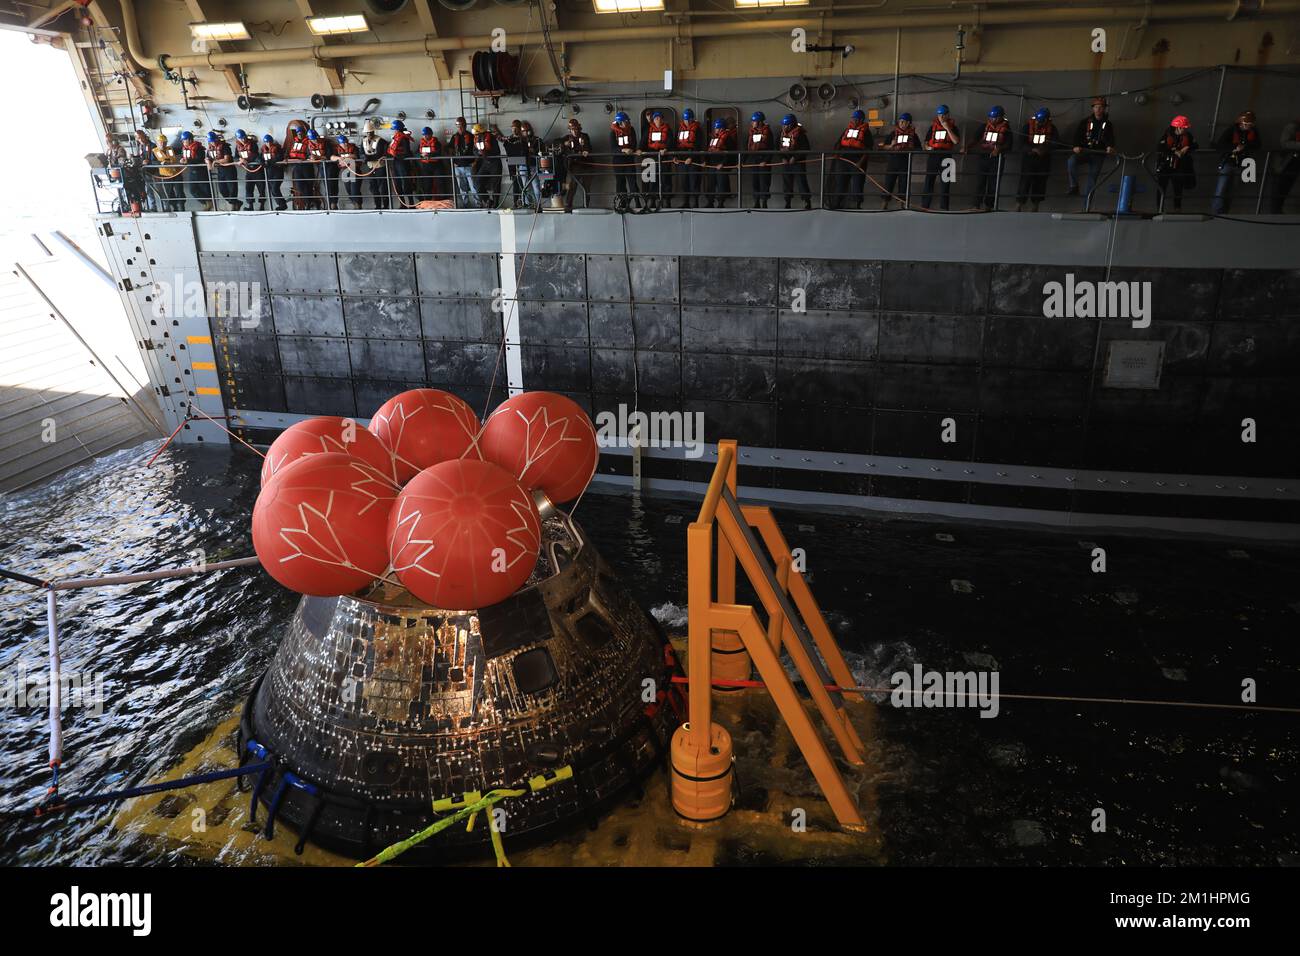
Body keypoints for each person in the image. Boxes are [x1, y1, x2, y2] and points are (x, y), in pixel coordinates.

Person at [1068, 96, 1115, 206]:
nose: (1098, 109)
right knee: (1071, 161)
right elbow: (1077, 137)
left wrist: (1110, 147)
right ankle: (1074, 186)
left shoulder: (1108, 124)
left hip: (1098, 155)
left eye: (1101, 107)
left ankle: (1086, 206)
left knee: (1092, 180)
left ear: (1104, 109)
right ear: (1093, 109)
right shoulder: (1085, 122)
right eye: (1096, 107)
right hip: (1085, 152)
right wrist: (1075, 146)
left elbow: (1110, 139)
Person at [1212, 110, 1259, 215]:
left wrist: (1245, 147)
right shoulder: (1231, 130)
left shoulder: (1253, 132)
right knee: (1221, 189)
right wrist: (1234, 148)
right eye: (1247, 124)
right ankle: (1217, 212)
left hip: (1242, 164)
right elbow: (1220, 145)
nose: (1249, 126)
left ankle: (1226, 212)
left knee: (1232, 190)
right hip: (1228, 162)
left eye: (1250, 124)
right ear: (1242, 123)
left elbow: (1258, 145)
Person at [1016, 107, 1057, 212]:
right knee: (1024, 182)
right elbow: (1021, 143)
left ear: (1047, 120)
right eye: (1039, 120)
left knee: (1040, 183)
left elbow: (1055, 143)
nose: (1040, 123)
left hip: (1043, 160)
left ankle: (1035, 205)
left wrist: (1044, 150)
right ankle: (1019, 204)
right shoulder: (1027, 127)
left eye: (1042, 121)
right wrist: (1032, 149)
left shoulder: (1052, 129)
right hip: (1028, 159)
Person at [970, 105, 1011, 211]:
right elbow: (975, 138)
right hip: (983, 158)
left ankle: (989, 206)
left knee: (993, 184)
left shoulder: (1007, 129)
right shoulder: (984, 126)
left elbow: (1009, 145)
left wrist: (999, 149)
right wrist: (966, 147)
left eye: (995, 117)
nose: (993, 120)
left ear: (1001, 117)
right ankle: (976, 205)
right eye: (991, 117)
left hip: (997, 159)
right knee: (980, 182)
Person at [828, 109, 871, 209]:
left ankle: (857, 206)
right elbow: (838, 143)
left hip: (857, 163)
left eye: (857, 119)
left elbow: (869, 149)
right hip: (843, 161)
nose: (855, 121)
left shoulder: (866, 132)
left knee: (857, 185)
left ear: (862, 120)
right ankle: (837, 204)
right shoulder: (847, 130)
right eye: (854, 119)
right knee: (840, 184)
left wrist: (860, 163)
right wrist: (836, 154)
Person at [1154, 115, 1196, 213]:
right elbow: (1160, 148)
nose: (1185, 130)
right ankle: (1159, 209)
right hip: (1165, 166)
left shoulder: (1188, 136)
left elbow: (1195, 145)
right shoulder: (1167, 135)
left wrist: (1188, 148)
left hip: (1178, 166)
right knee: (1161, 187)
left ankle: (1177, 208)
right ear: (1178, 127)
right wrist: (1174, 151)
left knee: (1178, 187)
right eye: (1183, 128)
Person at [921, 104, 959, 210]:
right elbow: (926, 142)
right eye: (939, 115)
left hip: (947, 157)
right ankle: (925, 206)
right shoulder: (932, 127)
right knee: (929, 181)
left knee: (945, 185)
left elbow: (956, 141)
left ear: (948, 115)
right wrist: (928, 148)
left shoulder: (953, 127)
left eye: (943, 115)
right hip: (933, 156)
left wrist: (947, 128)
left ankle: (944, 208)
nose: (941, 117)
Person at [879, 112, 917, 209]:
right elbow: (882, 147)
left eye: (903, 121)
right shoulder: (893, 134)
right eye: (900, 121)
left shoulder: (913, 135)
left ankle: (902, 207)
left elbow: (918, 148)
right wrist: (891, 145)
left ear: (909, 123)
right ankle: (884, 206)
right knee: (888, 184)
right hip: (893, 162)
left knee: (903, 185)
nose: (901, 123)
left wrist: (909, 148)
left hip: (905, 163)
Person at [777, 113, 812, 210]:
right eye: (783, 125)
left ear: (792, 124)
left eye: (786, 125)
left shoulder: (800, 134)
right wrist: (782, 158)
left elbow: (806, 148)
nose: (784, 127)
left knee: (801, 182)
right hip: (786, 163)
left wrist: (795, 158)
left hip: (798, 163)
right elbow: (777, 147)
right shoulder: (781, 133)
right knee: (787, 183)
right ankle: (787, 203)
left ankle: (807, 202)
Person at [558, 117, 592, 212]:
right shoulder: (567, 138)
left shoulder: (585, 136)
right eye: (573, 129)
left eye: (576, 129)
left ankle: (586, 206)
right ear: (570, 130)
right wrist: (564, 144)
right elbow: (556, 142)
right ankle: (568, 205)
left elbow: (588, 147)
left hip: (587, 164)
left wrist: (585, 151)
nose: (575, 131)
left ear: (579, 128)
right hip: (575, 165)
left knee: (587, 187)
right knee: (572, 186)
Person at [672, 108, 702, 208]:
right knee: (683, 182)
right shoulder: (679, 129)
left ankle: (696, 203)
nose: (688, 122)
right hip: (681, 160)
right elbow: (675, 144)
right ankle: (686, 202)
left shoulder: (698, 129)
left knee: (694, 182)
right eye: (686, 120)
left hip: (693, 160)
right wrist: (675, 156)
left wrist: (691, 157)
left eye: (689, 119)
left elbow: (699, 145)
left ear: (693, 119)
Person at [704, 117, 736, 208]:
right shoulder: (714, 138)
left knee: (721, 184)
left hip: (721, 165)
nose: (715, 130)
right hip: (712, 164)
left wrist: (723, 164)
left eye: (717, 128)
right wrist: (706, 161)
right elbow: (709, 151)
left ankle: (721, 203)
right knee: (711, 184)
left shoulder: (728, 138)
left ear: (721, 128)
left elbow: (730, 153)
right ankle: (710, 202)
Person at [744, 111, 774, 208]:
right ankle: (756, 202)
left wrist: (766, 160)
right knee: (755, 181)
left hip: (764, 161)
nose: (752, 123)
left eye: (754, 121)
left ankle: (764, 202)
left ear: (760, 122)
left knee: (764, 182)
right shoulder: (751, 132)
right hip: (754, 160)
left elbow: (771, 148)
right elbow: (746, 147)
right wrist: (741, 161)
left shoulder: (768, 132)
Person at [643, 110, 672, 208]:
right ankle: (653, 201)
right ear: (653, 120)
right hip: (653, 158)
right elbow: (643, 140)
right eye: (656, 118)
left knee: (666, 180)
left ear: (662, 119)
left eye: (659, 118)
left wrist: (666, 148)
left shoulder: (668, 129)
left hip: (664, 158)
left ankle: (667, 201)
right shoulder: (649, 129)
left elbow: (670, 141)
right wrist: (639, 149)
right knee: (653, 180)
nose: (658, 120)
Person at [610, 111, 639, 209]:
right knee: (620, 183)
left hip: (629, 161)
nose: (628, 123)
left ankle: (637, 203)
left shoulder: (631, 130)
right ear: (620, 122)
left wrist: (633, 150)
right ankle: (623, 203)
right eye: (626, 121)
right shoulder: (613, 132)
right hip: (618, 161)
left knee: (633, 183)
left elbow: (634, 143)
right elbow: (613, 148)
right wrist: (623, 150)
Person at [1271, 116, 1300, 214]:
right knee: (1282, 186)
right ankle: (1276, 210)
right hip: (1290, 161)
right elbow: (1284, 143)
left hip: (1294, 161)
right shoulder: (1292, 127)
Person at [360, 119, 389, 209]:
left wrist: (368, 158)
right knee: (373, 188)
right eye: (367, 133)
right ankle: (378, 205)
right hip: (370, 167)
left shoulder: (381, 141)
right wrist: (363, 157)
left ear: (373, 131)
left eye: (370, 132)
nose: (369, 134)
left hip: (380, 167)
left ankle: (386, 205)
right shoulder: (363, 141)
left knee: (383, 187)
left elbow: (380, 153)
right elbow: (360, 152)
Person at [448, 117, 476, 207]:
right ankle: (466, 205)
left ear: (465, 125)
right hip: (458, 166)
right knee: (462, 188)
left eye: (462, 125)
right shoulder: (454, 137)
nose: (460, 128)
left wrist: (475, 161)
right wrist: (452, 161)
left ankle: (478, 205)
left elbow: (476, 150)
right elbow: (450, 148)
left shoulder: (471, 136)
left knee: (473, 187)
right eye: (458, 126)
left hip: (469, 165)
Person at [179, 130, 210, 210]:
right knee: (192, 190)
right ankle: (205, 202)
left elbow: (199, 159)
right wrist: (182, 160)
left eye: (184, 140)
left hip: (200, 172)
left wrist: (188, 161)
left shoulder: (199, 148)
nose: (183, 142)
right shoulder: (185, 149)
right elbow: (186, 158)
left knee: (205, 189)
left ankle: (209, 203)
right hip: (191, 172)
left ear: (189, 139)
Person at [472, 123, 501, 208]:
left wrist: (487, 153)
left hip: (495, 163)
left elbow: (497, 151)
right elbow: (474, 150)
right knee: (477, 182)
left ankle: (496, 204)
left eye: (477, 134)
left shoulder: (491, 138)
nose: (476, 136)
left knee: (496, 185)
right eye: (475, 134)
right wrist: (478, 153)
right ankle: (487, 200)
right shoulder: (476, 139)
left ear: (481, 132)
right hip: (485, 163)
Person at [151, 133, 183, 211]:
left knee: (180, 192)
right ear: (157, 142)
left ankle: (182, 207)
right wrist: (160, 163)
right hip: (165, 175)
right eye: (161, 142)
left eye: (164, 142)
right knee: (170, 193)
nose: (163, 144)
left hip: (176, 173)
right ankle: (175, 208)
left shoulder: (170, 149)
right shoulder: (154, 151)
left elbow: (180, 152)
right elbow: (152, 162)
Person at [386, 119, 414, 206]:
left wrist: (396, 155)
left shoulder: (404, 138)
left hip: (403, 164)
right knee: (397, 183)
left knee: (406, 183)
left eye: (394, 129)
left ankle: (410, 203)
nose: (394, 131)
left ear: (397, 129)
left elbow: (407, 152)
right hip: (396, 162)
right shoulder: (397, 137)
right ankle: (402, 204)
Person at [286, 124, 313, 209]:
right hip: (297, 166)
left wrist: (306, 158)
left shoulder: (308, 142)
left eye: (301, 133)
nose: (300, 134)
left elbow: (311, 154)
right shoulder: (295, 142)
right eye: (298, 133)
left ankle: (309, 203)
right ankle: (306, 202)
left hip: (307, 166)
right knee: (300, 186)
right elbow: (290, 152)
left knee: (309, 186)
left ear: (304, 133)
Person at [257, 133, 286, 211]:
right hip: (269, 173)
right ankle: (281, 204)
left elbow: (279, 158)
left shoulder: (278, 148)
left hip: (277, 172)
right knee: (272, 190)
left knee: (275, 189)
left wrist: (269, 162)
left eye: (269, 142)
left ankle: (282, 205)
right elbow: (259, 158)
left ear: (272, 141)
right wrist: (261, 162)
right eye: (266, 142)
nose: (268, 144)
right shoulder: (263, 149)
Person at [518, 120, 543, 208]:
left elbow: (542, 151)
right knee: (526, 187)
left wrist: (534, 151)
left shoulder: (537, 140)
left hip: (533, 165)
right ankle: (528, 204)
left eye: (527, 130)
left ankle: (538, 204)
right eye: (524, 131)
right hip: (523, 166)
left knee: (536, 186)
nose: (526, 133)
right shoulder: (519, 142)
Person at [232, 129, 258, 209]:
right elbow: (236, 157)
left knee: (261, 189)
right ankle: (251, 206)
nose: (243, 140)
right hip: (248, 171)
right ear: (238, 139)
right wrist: (240, 160)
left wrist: (246, 160)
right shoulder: (238, 146)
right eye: (241, 138)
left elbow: (255, 155)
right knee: (248, 188)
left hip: (257, 170)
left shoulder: (253, 144)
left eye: (244, 138)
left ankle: (262, 205)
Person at [416, 126, 442, 202]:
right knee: (427, 184)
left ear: (431, 134)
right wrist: (421, 155)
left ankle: (441, 200)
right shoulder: (421, 143)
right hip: (426, 166)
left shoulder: (437, 143)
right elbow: (416, 153)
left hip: (436, 165)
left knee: (439, 182)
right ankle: (428, 201)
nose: (425, 136)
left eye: (427, 134)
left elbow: (439, 152)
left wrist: (430, 155)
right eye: (424, 135)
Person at [335, 135, 362, 208]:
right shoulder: (337, 149)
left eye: (346, 142)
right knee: (349, 190)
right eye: (344, 143)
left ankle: (358, 206)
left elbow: (356, 156)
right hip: (344, 171)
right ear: (340, 144)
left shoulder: (354, 147)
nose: (346, 144)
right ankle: (354, 204)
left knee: (354, 190)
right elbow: (332, 157)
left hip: (354, 170)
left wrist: (347, 157)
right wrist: (339, 158)